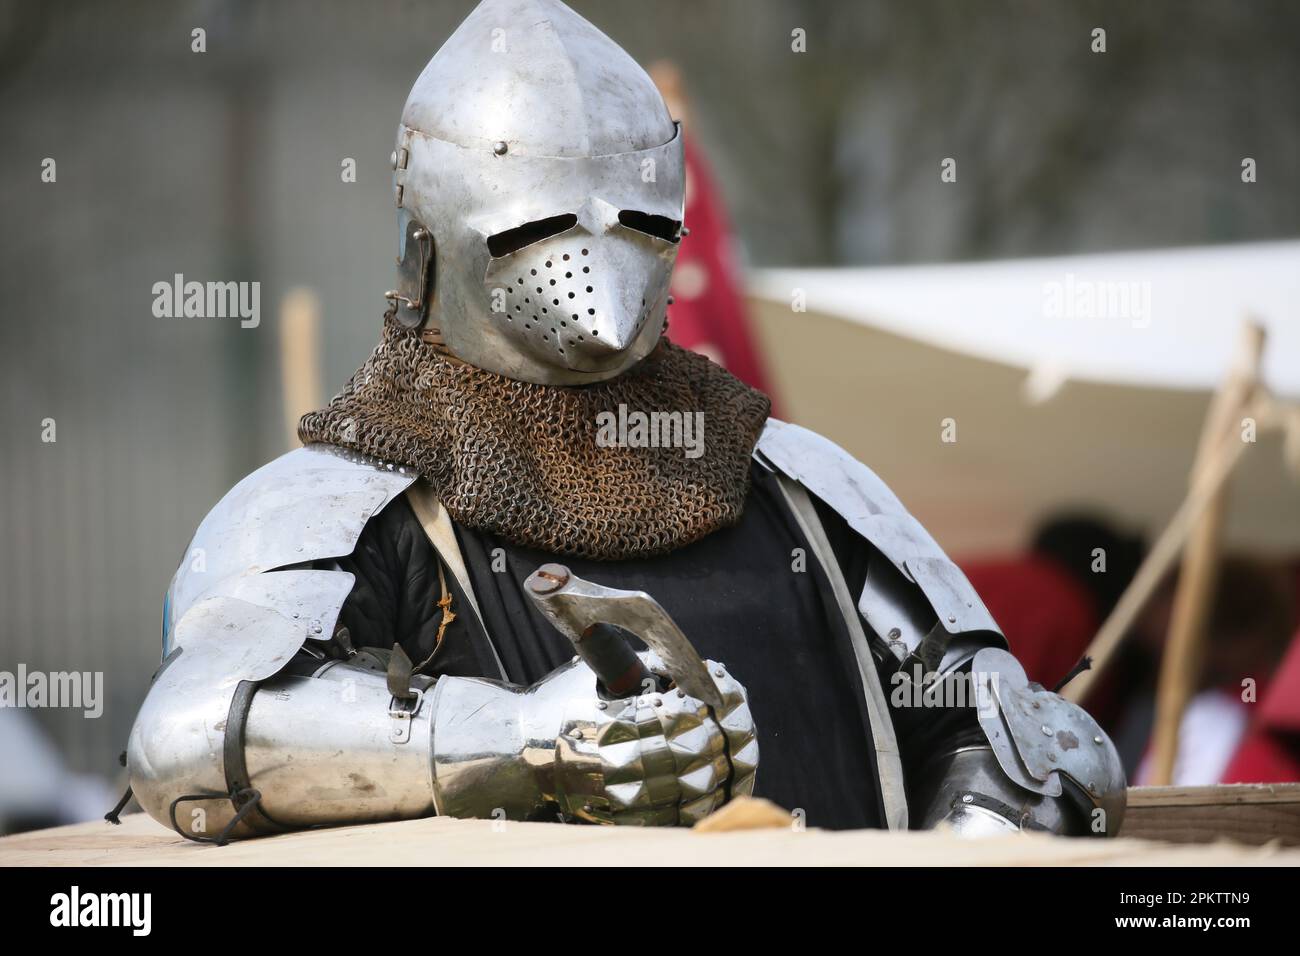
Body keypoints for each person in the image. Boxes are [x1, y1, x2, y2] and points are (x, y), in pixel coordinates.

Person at [123, 0, 1123, 844]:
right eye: (534, 233)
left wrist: (979, 841)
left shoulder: (801, 483)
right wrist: (515, 738)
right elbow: (192, 735)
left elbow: (1001, 728)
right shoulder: (339, 504)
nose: (596, 276)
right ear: (431, 242)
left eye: (641, 229)